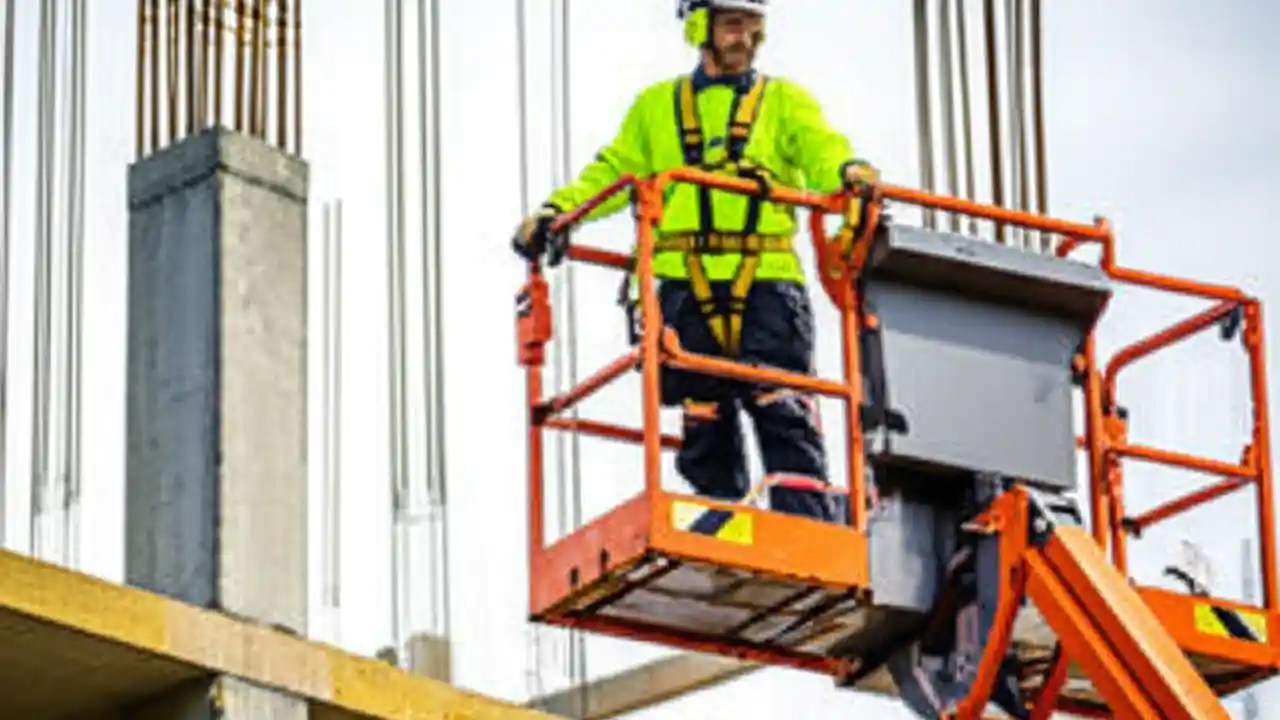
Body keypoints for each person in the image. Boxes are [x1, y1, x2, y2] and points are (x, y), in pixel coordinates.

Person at [513, 0, 878, 523]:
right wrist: (557, 212)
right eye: (733, 25)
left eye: (754, 27)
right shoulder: (655, 108)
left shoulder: (784, 102)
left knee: (782, 408)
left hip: (766, 281)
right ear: (698, 27)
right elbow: (613, 171)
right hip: (686, 285)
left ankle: (806, 527)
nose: (745, 40)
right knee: (703, 420)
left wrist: (849, 172)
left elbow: (821, 149)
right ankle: (721, 527)